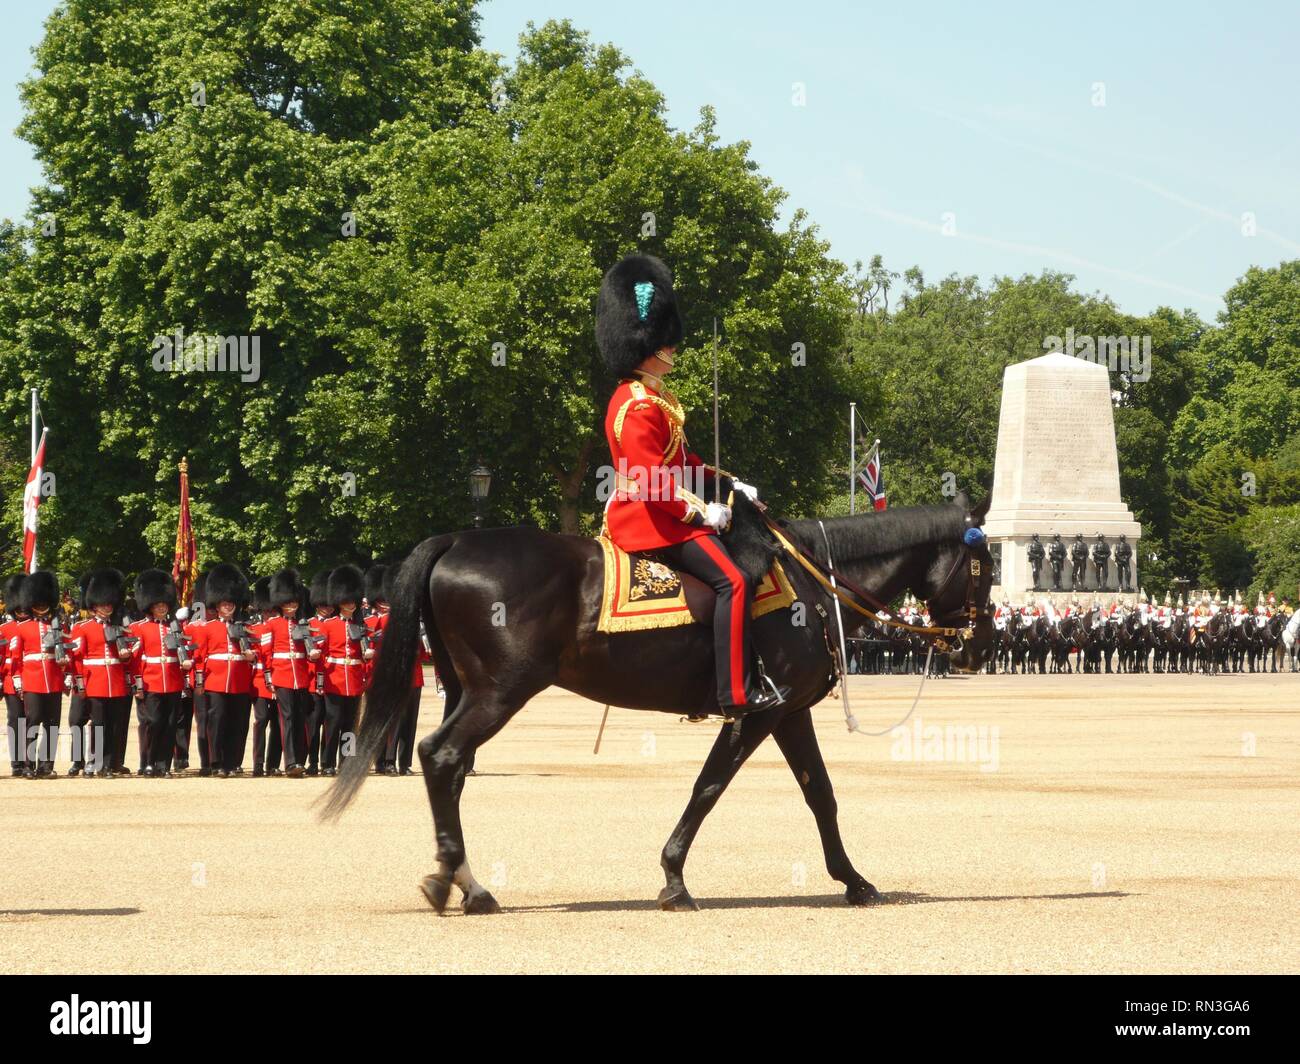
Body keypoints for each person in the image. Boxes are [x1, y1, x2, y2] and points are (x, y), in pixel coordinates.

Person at [596, 253, 788, 718]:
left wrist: (728, 484)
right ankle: (732, 693)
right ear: (651, 344)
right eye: (669, 342)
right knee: (735, 581)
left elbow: (683, 463)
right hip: (646, 519)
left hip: (659, 509)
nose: (676, 349)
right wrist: (701, 512)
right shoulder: (638, 405)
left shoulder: (655, 398)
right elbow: (650, 481)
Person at [190, 564, 257, 778]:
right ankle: (216, 761)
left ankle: (231, 762)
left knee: (236, 723)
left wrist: (251, 656)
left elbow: (255, 652)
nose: (227, 607)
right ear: (217, 606)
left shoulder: (245, 628)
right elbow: (199, 658)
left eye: (230, 604)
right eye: (224, 604)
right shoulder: (208, 628)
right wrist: (199, 682)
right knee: (216, 722)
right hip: (215, 681)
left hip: (239, 681)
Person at [67, 570, 134, 778]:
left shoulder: (119, 628)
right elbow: (77, 657)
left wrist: (126, 656)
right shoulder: (82, 628)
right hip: (94, 681)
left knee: (113, 726)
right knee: (97, 725)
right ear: (94, 605)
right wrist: (80, 682)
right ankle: (92, 762)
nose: (107, 607)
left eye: (110, 604)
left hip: (115, 682)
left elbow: (126, 660)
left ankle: (107, 764)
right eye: (103, 604)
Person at [6, 571, 71, 778]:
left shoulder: (58, 627)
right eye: (38, 603)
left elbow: (68, 651)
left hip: (53, 680)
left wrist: (66, 669)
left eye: (45, 603)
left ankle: (46, 765)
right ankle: (27, 764)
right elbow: (16, 659)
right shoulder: (22, 628)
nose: (42, 607)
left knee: (52, 723)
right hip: (32, 680)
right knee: (32, 722)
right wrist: (18, 681)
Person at [256, 569, 320, 777]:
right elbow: (266, 653)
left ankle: (300, 760)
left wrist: (313, 655)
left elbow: (307, 652)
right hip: (281, 675)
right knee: (287, 718)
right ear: (280, 604)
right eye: (288, 603)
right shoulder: (272, 625)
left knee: (300, 718)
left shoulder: (303, 625)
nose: (292, 607)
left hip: (300, 677)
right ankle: (291, 762)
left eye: (294, 603)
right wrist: (268, 678)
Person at [129, 569, 192, 778]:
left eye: (164, 604)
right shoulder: (140, 628)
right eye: (158, 605)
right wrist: (138, 683)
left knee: (170, 724)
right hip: (151, 682)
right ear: (150, 607)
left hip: (172, 682)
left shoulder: (175, 628)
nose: (162, 608)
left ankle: (163, 764)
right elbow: (136, 658)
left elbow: (184, 653)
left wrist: (187, 670)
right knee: (153, 723)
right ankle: (148, 762)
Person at [318, 565, 370, 777]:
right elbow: (321, 655)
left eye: (353, 602)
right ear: (339, 602)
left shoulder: (361, 626)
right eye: (347, 601)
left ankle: (347, 762)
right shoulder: (328, 625)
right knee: (333, 722)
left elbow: (363, 654)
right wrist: (321, 680)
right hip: (335, 678)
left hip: (354, 679)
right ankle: (328, 762)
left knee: (350, 725)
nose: (351, 605)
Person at [247, 577, 281, 777]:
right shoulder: (253, 629)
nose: (269, 614)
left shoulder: (283, 627)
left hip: (280, 679)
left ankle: (273, 764)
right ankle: (258, 763)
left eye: (272, 611)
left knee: (278, 723)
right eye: (267, 611)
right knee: (261, 720)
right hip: (260, 680)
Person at [304, 570, 334, 776]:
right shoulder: (307, 625)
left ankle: (329, 761)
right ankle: (313, 761)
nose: (327, 608)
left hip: (334, 680)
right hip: (314, 681)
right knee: (313, 724)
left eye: (329, 604)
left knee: (333, 724)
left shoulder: (338, 624)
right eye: (323, 604)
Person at [2, 575, 30, 777]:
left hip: (32, 678)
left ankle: (29, 761)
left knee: (32, 720)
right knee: (15, 719)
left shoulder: (35, 627)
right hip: (11, 680)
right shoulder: (4, 629)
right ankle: (16, 762)